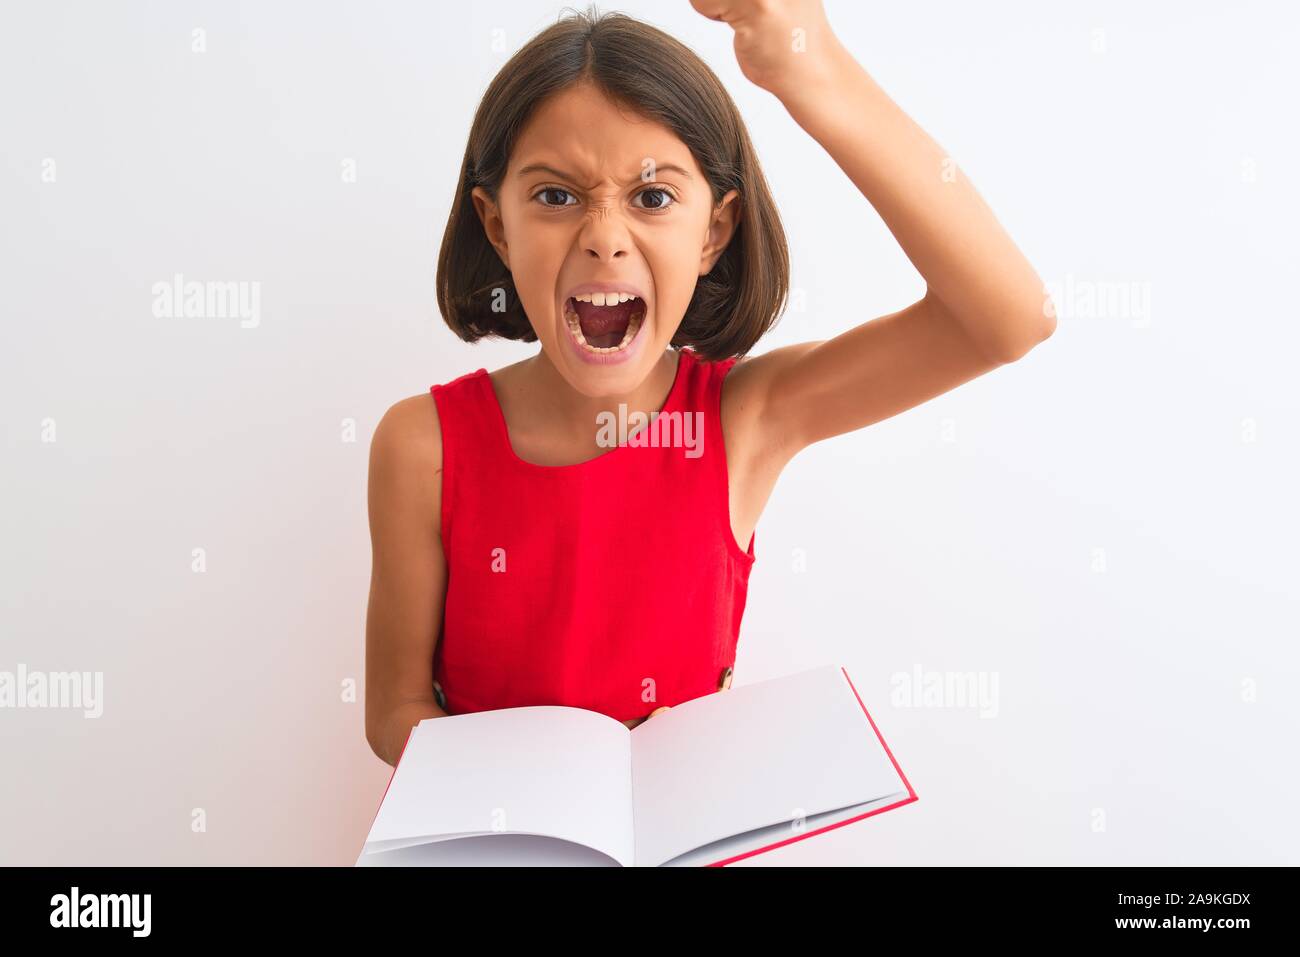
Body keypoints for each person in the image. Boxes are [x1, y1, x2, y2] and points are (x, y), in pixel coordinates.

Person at [365, 2, 1054, 766]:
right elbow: (396, 709)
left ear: (714, 232)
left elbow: (1010, 318)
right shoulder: (422, 444)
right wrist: (541, 793)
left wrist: (815, 71)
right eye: (555, 196)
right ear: (497, 227)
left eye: (653, 197)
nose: (603, 235)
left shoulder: (745, 420)